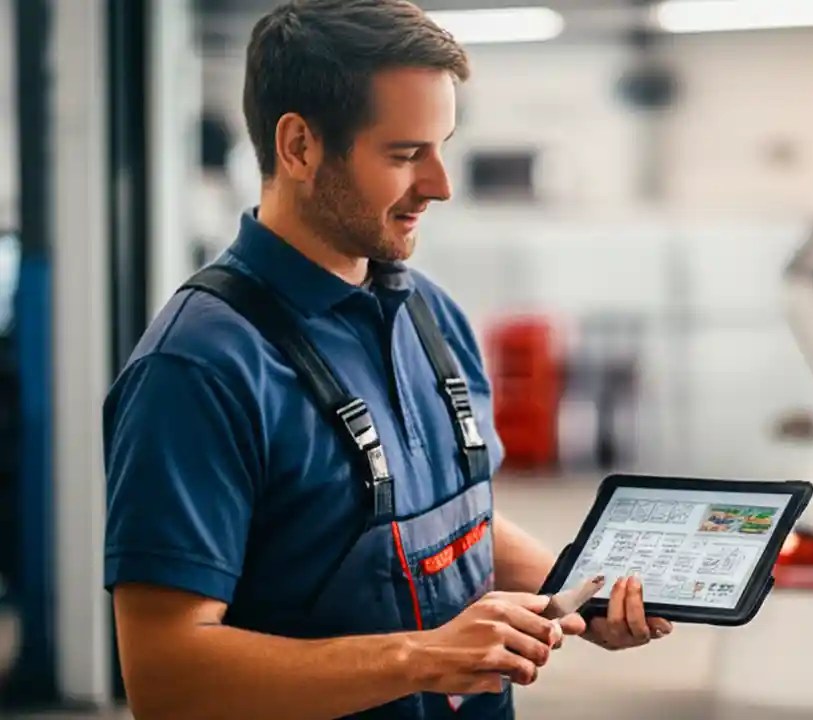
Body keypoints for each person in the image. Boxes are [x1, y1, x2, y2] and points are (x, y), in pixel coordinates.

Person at [102, 2, 671, 719]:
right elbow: (166, 677)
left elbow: (459, 523)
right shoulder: (199, 370)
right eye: (405, 155)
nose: (440, 185)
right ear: (300, 146)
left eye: (442, 147)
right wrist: (422, 656)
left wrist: (581, 592)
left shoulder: (428, 314)